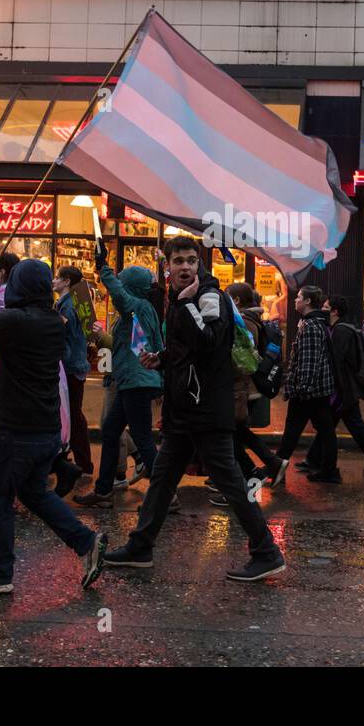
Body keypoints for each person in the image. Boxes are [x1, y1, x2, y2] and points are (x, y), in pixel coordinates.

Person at [103, 236, 286, 582]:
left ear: (198, 264)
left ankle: (266, 552)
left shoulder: (207, 296)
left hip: (205, 411)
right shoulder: (180, 298)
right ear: (167, 266)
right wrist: (161, 358)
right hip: (185, 409)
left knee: (231, 482)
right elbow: (186, 348)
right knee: (162, 479)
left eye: (190, 260)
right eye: (178, 261)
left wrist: (187, 305)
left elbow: (210, 343)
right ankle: (140, 546)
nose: (185, 266)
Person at [0, 259, 105, 593]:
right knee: (34, 493)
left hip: (14, 430)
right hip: (44, 429)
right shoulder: (51, 320)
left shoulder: (17, 321)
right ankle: (86, 542)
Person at [74, 248, 163, 508]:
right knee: (112, 430)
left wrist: (104, 268)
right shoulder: (143, 309)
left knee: (142, 438)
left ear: (131, 288)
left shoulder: (136, 307)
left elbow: (120, 296)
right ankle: (104, 491)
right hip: (132, 380)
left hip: (136, 381)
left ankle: (166, 494)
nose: (117, 292)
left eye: (123, 285)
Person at [217, 281, 286, 499]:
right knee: (237, 434)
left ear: (236, 300)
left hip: (243, 388)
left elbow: (241, 358)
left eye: (228, 297)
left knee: (230, 435)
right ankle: (265, 467)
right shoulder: (251, 319)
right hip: (246, 387)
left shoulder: (244, 322)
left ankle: (252, 475)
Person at [272, 285, 338, 485]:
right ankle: (329, 471)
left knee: (292, 433)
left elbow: (309, 361)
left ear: (308, 301)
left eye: (299, 297)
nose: (295, 299)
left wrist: (302, 389)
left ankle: (277, 468)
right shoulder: (315, 322)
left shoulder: (310, 325)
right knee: (325, 430)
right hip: (318, 390)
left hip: (309, 392)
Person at [325, 294, 364, 479]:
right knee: (329, 423)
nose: (322, 310)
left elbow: (336, 360)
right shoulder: (339, 328)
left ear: (334, 312)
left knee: (353, 424)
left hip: (344, 389)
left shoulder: (340, 331)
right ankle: (314, 459)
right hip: (344, 388)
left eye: (325, 307)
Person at [53, 265, 94, 475]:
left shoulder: (67, 307)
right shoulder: (69, 304)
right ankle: (71, 460)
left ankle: (83, 464)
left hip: (70, 369)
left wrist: (58, 362)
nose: (54, 281)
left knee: (73, 416)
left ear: (67, 281)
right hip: (74, 367)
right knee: (70, 415)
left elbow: (66, 341)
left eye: (57, 277)